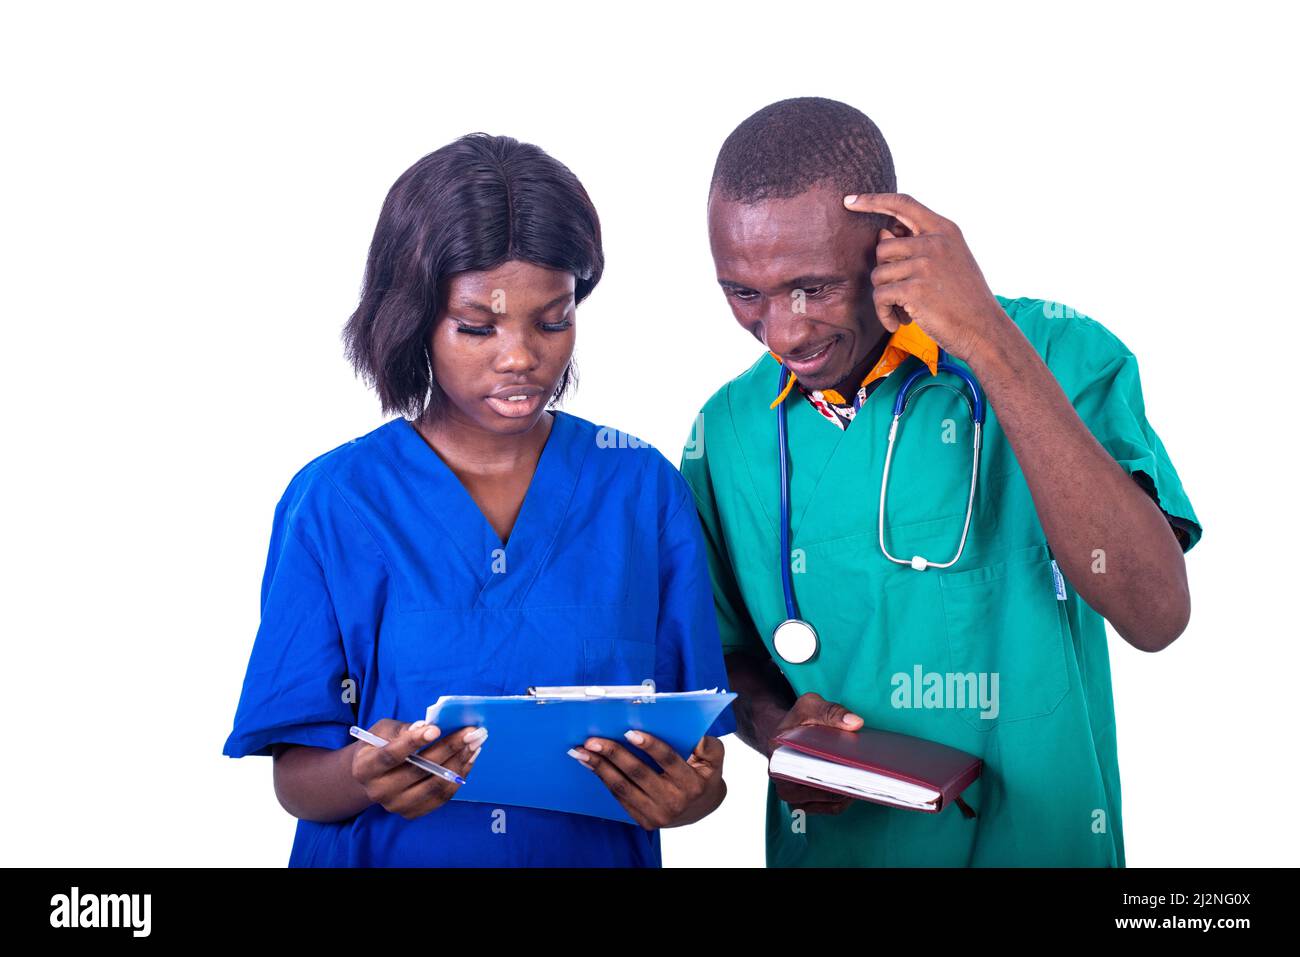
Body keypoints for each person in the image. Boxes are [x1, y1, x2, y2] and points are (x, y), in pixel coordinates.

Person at [679, 98, 1200, 867]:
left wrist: (987, 336)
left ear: (894, 243)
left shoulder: (1058, 350)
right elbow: (724, 655)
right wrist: (775, 725)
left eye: (813, 287)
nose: (783, 331)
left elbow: (1156, 612)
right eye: (744, 292)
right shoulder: (725, 430)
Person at [223, 132, 735, 867]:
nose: (521, 354)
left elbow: (699, 752)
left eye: (552, 319)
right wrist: (363, 775)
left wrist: (693, 798)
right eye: (477, 326)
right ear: (413, 321)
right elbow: (298, 781)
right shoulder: (337, 502)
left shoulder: (640, 488)